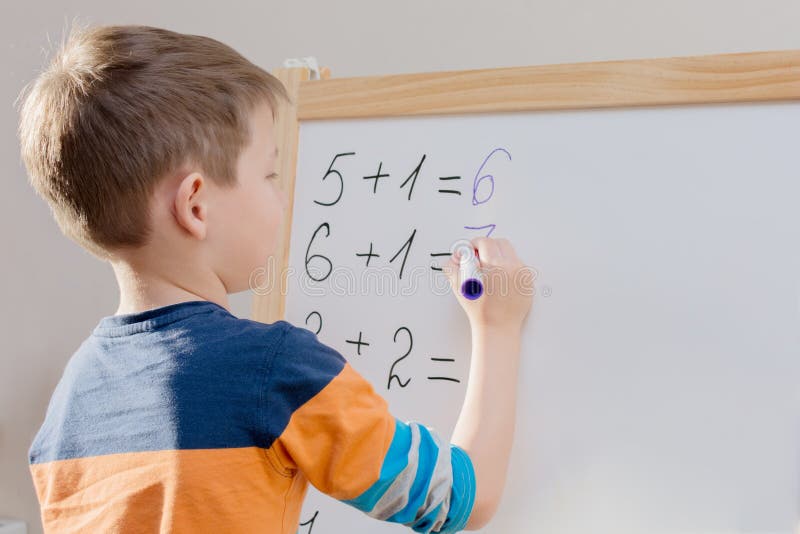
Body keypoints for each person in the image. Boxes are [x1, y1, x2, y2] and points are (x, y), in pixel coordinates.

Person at [17, 22, 534, 533]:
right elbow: (460, 499)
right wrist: (498, 328)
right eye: (268, 174)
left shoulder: (68, 404)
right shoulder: (275, 371)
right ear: (195, 205)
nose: (283, 196)